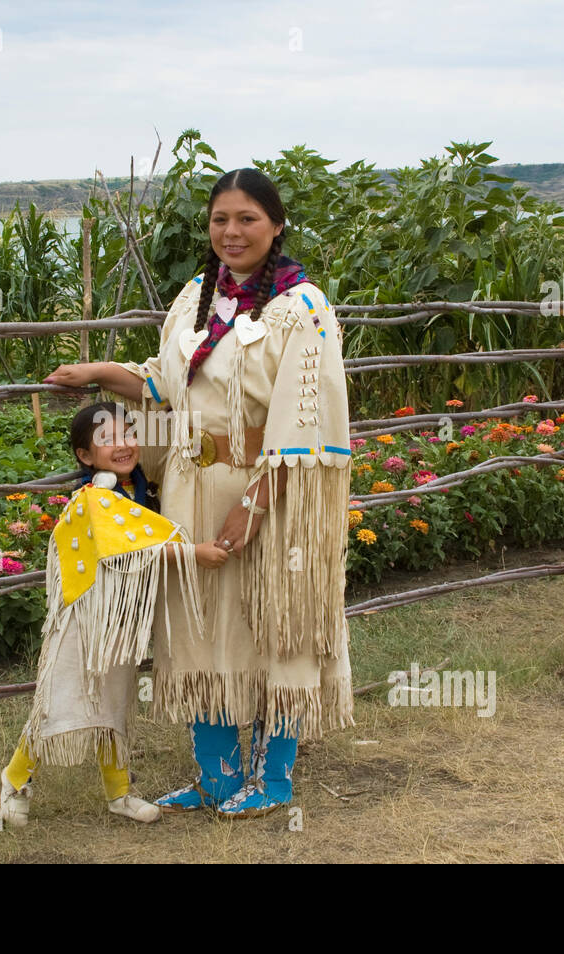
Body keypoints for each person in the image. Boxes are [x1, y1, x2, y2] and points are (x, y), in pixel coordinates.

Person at [43, 168, 355, 818]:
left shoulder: (302, 310)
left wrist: (257, 500)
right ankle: (215, 777)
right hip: (190, 489)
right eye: (220, 219)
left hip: (266, 493)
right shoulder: (195, 298)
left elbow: (306, 420)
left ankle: (272, 780)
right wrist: (102, 373)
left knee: (274, 628)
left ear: (276, 225)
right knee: (197, 626)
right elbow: (168, 384)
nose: (232, 232)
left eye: (247, 219)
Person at [0, 400, 230, 826]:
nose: (123, 445)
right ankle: (15, 781)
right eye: (107, 440)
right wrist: (192, 553)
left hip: (120, 621)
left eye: (129, 434)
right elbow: (130, 549)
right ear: (85, 456)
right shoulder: (95, 500)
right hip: (83, 617)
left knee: (115, 702)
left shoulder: (143, 492)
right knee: (57, 701)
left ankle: (119, 792)